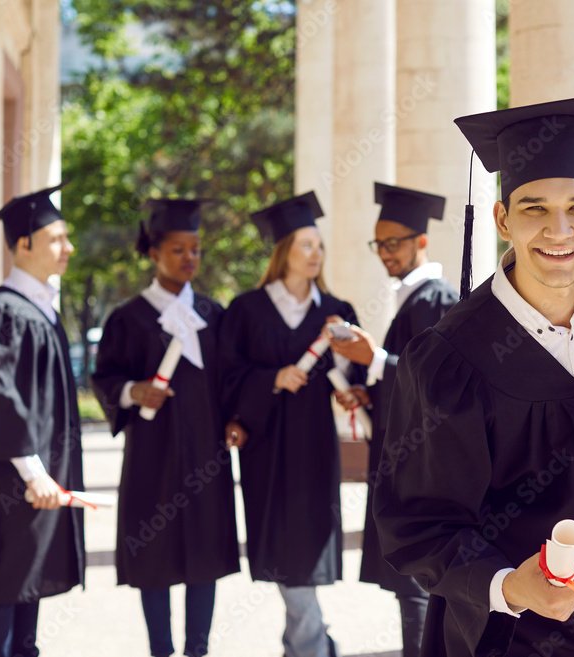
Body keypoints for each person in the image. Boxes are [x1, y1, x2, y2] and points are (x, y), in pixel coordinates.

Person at [372, 94, 574, 656]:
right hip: (515, 634)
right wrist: (507, 586)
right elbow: (417, 525)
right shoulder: (449, 359)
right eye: (533, 209)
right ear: (501, 219)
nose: (559, 231)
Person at [90, 199, 241, 657]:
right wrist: (134, 391)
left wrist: (237, 419)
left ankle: (198, 650)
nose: (190, 258)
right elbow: (105, 379)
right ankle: (161, 651)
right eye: (179, 250)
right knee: (153, 556)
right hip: (152, 457)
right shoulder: (128, 318)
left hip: (205, 458)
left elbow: (232, 381)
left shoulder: (215, 316)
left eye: (196, 249)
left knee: (205, 556)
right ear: (154, 254)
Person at [219, 191, 363, 657]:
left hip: (314, 443)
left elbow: (354, 374)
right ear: (283, 251)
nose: (315, 253)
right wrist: (272, 377)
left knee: (305, 548)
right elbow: (227, 374)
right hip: (266, 445)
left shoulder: (336, 313)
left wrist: (347, 383)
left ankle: (308, 645)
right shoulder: (246, 310)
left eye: (318, 245)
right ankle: (313, 642)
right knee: (280, 547)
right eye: (305, 244)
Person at [329, 182, 459, 657]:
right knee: (409, 588)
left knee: (417, 589)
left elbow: (440, 384)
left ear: (421, 241)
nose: (385, 253)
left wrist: (375, 358)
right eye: (379, 244)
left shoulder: (437, 299)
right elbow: (407, 382)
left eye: (394, 242)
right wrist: (370, 387)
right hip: (404, 458)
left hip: (423, 467)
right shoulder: (412, 298)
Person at [0, 183, 85, 657]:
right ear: (23, 244)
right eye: (56, 238)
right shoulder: (3, 312)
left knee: (27, 586)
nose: (67, 248)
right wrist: (34, 473)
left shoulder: (42, 311)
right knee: (4, 587)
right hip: (15, 481)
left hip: (41, 478)